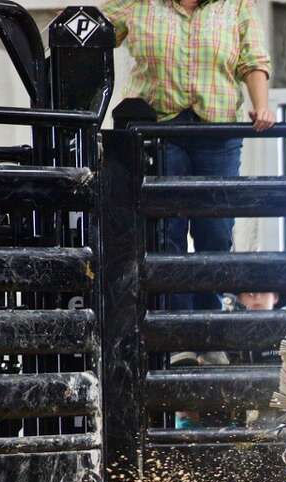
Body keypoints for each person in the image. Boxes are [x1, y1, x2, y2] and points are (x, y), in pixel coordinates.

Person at [102, 0, 274, 312]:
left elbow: (253, 60)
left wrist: (261, 105)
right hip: (159, 128)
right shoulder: (138, 3)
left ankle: (207, 322)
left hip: (217, 129)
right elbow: (95, 32)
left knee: (216, 232)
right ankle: (174, 330)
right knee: (166, 230)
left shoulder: (235, 5)